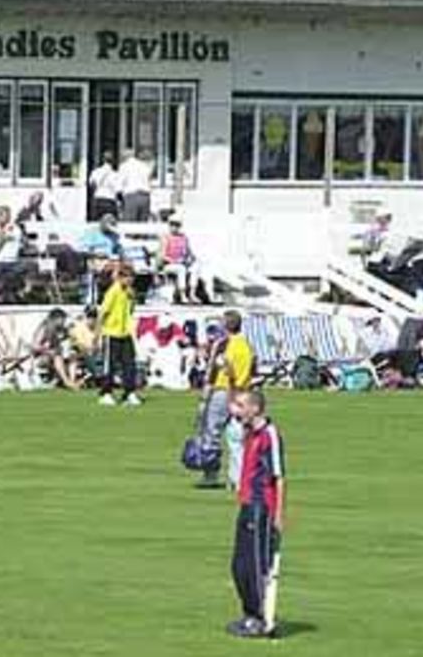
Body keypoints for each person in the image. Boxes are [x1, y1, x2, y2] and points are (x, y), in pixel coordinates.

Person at [226, 388, 286, 639]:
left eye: (241, 406)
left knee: (256, 566)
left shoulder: (270, 435)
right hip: (247, 504)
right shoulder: (250, 433)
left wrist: (279, 514)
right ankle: (250, 614)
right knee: (239, 566)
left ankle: (262, 617)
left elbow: (279, 477)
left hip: (262, 507)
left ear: (255, 408)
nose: (235, 411)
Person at [200, 310, 254, 489]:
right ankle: (238, 478)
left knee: (212, 433)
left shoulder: (223, 344)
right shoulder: (247, 346)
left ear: (225, 325)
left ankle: (211, 475)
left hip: (223, 391)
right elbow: (251, 370)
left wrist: (206, 391)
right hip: (242, 392)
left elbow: (213, 370)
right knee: (237, 437)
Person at [97, 266, 141, 407]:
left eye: (132, 278)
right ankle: (106, 393)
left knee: (130, 364)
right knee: (109, 365)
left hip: (125, 333)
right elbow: (103, 313)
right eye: (127, 277)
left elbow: (131, 310)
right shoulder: (113, 291)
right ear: (121, 278)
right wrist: (97, 335)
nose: (130, 280)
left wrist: (132, 299)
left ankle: (129, 392)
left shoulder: (128, 292)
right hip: (111, 333)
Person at [158, 215, 196, 303]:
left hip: (182, 262)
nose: (174, 227)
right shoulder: (166, 238)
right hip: (169, 264)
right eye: (172, 225)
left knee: (195, 268)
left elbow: (189, 253)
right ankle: (183, 295)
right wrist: (175, 261)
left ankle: (192, 294)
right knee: (181, 269)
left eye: (177, 225)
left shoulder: (184, 238)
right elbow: (162, 256)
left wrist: (189, 259)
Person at [116, 149, 153, 222]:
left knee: (130, 224)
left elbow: (119, 185)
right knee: (142, 224)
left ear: (125, 157)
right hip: (145, 197)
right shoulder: (144, 166)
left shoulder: (124, 166)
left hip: (131, 196)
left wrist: (119, 200)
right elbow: (149, 181)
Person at [88, 151, 119, 221]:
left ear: (103, 160)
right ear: (113, 161)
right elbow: (117, 189)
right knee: (109, 222)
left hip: (98, 199)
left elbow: (92, 184)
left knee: (96, 222)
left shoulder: (96, 172)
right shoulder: (115, 174)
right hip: (110, 200)